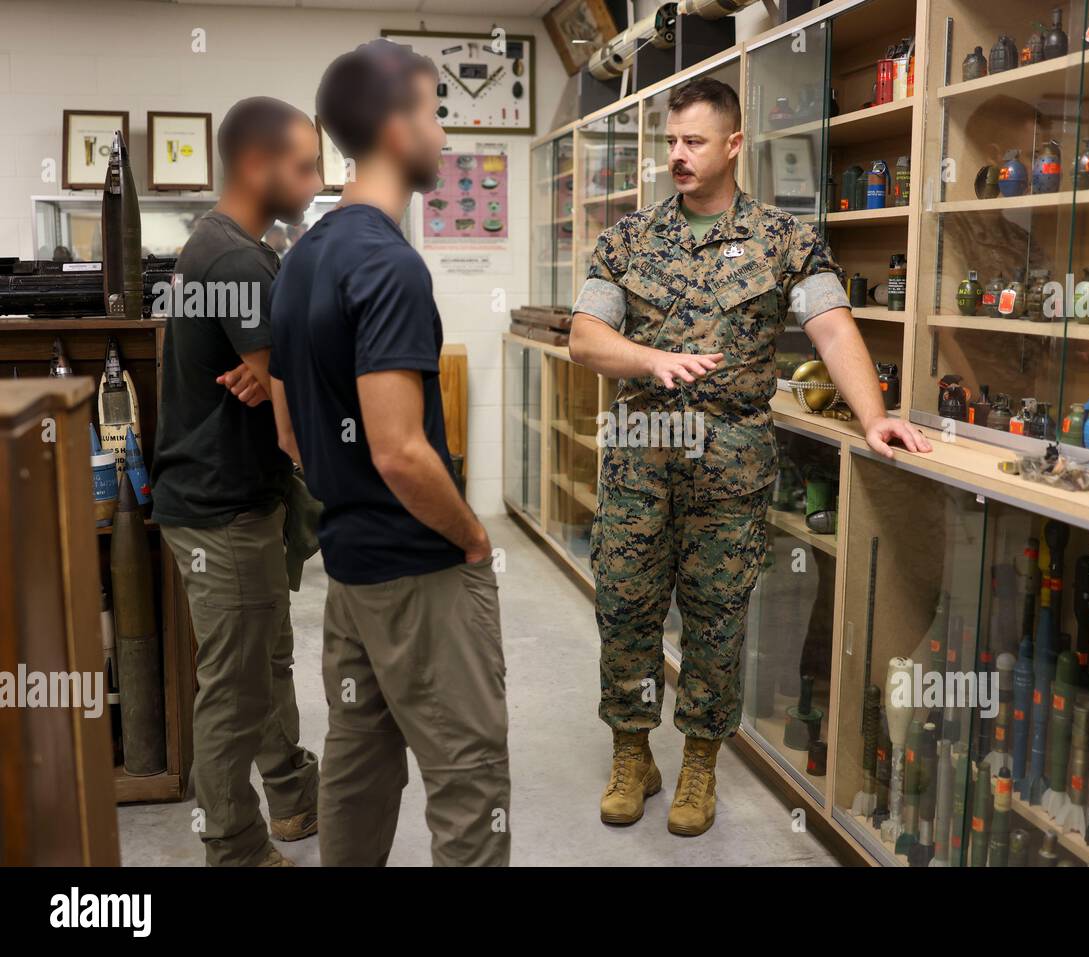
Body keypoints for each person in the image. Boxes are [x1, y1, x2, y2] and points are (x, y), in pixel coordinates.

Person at [569, 77, 933, 837]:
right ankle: (632, 751)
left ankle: (700, 760)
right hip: (641, 454)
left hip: (732, 462)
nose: (678, 155)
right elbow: (585, 339)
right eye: (671, 141)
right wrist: (648, 360)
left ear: (735, 145)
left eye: (694, 141)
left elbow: (832, 328)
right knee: (625, 608)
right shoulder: (628, 239)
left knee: (717, 616)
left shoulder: (785, 241)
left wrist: (874, 419)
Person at [269, 39, 510, 867]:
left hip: (351, 566)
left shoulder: (301, 257)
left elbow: (291, 429)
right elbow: (402, 450)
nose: (443, 134)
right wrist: (473, 539)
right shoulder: (389, 264)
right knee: (470, 779)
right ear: (397, 125)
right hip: (419, 569)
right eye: (435, 112)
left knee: (360, 761)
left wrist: (351, 498)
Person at [150, 96, 324, 867]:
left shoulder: (226, 247)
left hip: (230, 502)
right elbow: (297, 422)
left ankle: (289, 795)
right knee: (235, 688)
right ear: (258, 166)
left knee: (264, 662)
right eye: (305, 165)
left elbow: (278, 370)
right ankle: (236, 847)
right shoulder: (238, 259)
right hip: (221, 514)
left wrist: (276, 374)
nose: (317, 181)